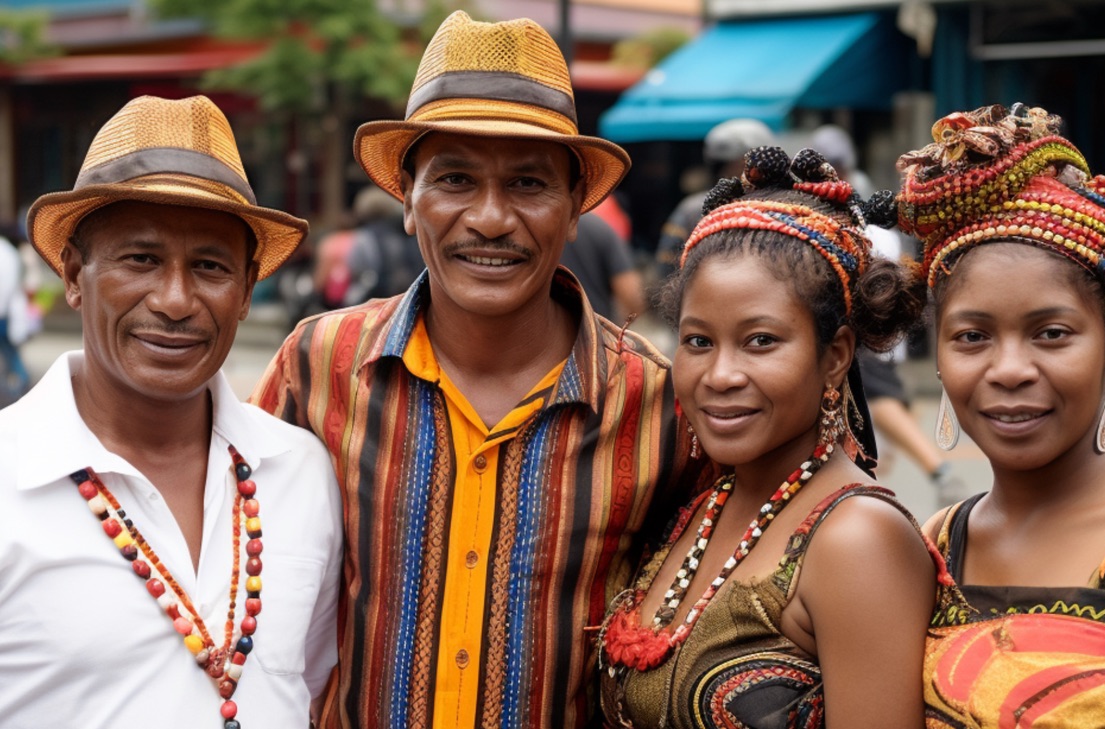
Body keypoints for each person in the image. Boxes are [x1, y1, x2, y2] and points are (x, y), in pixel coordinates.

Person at [250, 12, 701, 729]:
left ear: (576, 206)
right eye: (455, 179)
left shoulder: (657, 402)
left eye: (528, 183)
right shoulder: (318, 365)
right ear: (407, 199)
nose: (490, 218)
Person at [0, 95, 342, 728]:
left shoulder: (299, 470)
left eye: (209, 267)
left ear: (244, 292)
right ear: (75, 275)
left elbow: (314, 689)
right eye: (141, 260)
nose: (177, 299)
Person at [597, 147, 947, 728]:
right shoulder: (704, 502)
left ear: (835, 355)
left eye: (760, 341)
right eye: (698, 342)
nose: (720, 375)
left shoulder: (857, 540)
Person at [893, 103, 1105, 724]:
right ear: (940, 356)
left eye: (1052, 333)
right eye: (972, 337)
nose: (1009, 369)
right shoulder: (934, 549)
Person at [808, 123, 966, 505]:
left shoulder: (855, 222)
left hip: (863, 335)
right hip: (871, 336)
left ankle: (938, 471)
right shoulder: (845, 215)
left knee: (876, 403)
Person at [655, 118, 776, 280]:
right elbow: (666, 271)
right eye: (741, 165)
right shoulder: (693, 210)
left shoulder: (786, 206)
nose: (749, 174)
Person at [559, 212, 645, 322]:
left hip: (548, 330)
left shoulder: (544, 227)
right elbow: (632, 295)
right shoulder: (598, 227)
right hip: (597, 329)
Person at [0, 233, 29, 405]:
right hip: (6, 312)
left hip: (5, 314)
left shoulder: (4, 253)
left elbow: (6, 286)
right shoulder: (8, 252)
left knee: (11, 353)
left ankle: (20, 388)